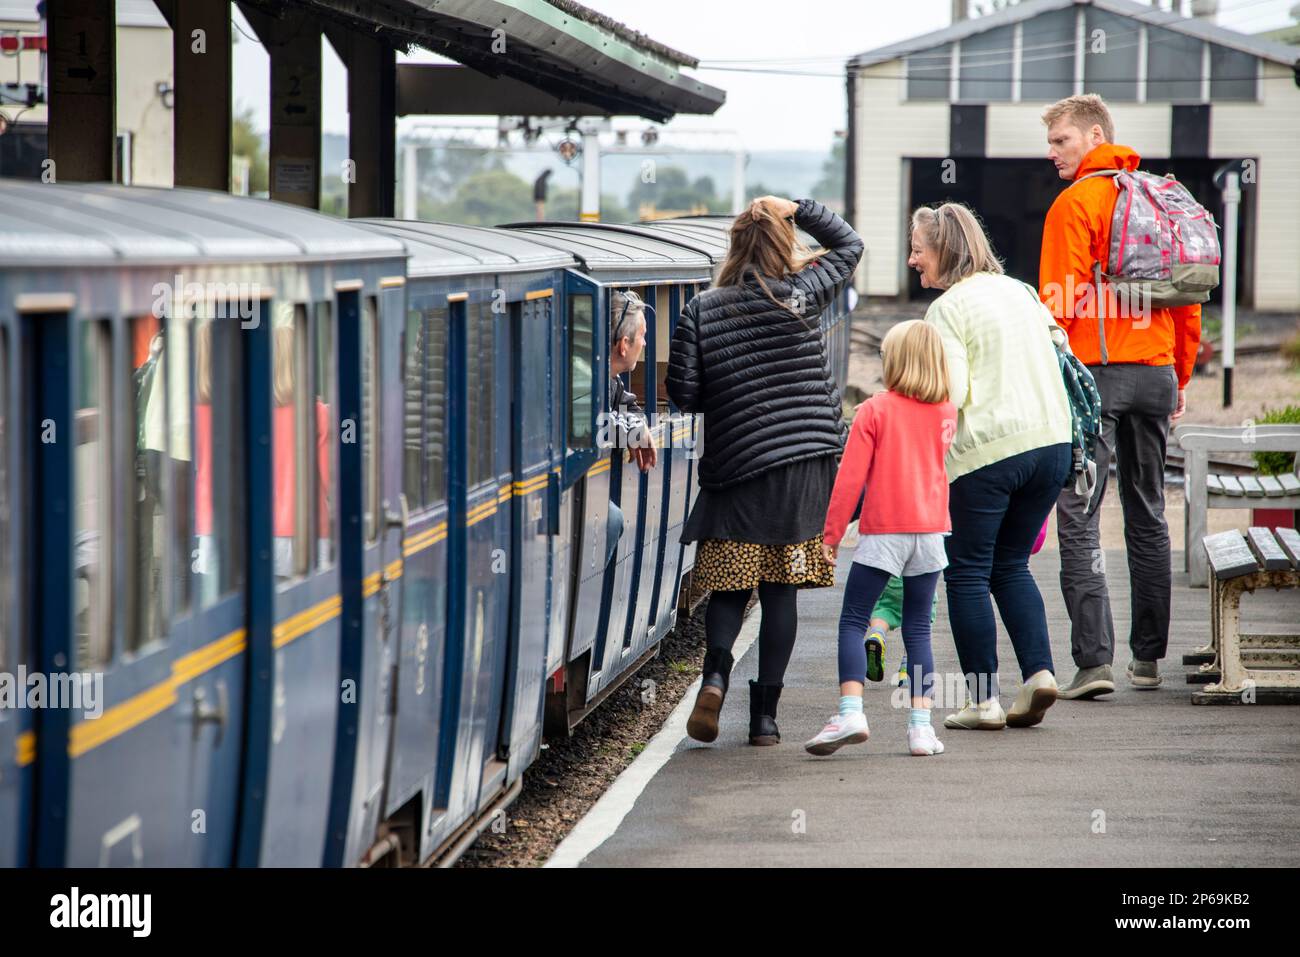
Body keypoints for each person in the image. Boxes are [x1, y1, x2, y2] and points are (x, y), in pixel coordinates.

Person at [669, 195, 862, 746]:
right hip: (803, 469)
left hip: (737, 469)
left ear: (734, 247)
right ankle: (765, 721)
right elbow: (850, 244)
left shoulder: (703, 309)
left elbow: (683, 394)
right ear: (785, 246)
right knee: (782, 593)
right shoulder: (802, 295)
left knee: (730, 589)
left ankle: (714, 677)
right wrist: (797, 207)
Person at [1039, 94, 1201, 695]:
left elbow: (1057, 304)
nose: (1052, 152)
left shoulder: (1076, 203)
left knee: (1079, 509)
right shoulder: (1159, 198)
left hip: (1096, 373)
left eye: (1062, 141)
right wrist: (1178, 374)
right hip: (1156, 371)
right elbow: (1187, 299)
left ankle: (1092, 663)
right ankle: (1149, 660)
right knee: (1149, 508)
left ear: (1094, 134)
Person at [910, 203, 1074, 731]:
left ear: (944, 249)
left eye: (918, 250)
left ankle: (982, 701)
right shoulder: (1022, 291)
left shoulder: (947, 310)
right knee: (1012, 566)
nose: (913, 260)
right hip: (1051, 445)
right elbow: (1061, 350)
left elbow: (951, 393)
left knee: (968, 574)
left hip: (987, 455)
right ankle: (1039, 674)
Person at [806, 320, 956, 757]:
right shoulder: (947, 410)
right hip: (930, 533)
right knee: (918, 629)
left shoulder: (875, 410)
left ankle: (851, 712)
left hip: (885, 532)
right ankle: (921, 729)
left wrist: (830, 539)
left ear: (897, 362)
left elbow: (849, 481)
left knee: (854, 619)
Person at [607, 289, 657, 473]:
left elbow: (632, 410)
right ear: (624, 345)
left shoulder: (612, 380)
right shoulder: (583, 380)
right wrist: (633, 428)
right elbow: (591, 424)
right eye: (642, 336)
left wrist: (636, 424)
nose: (644, 343)